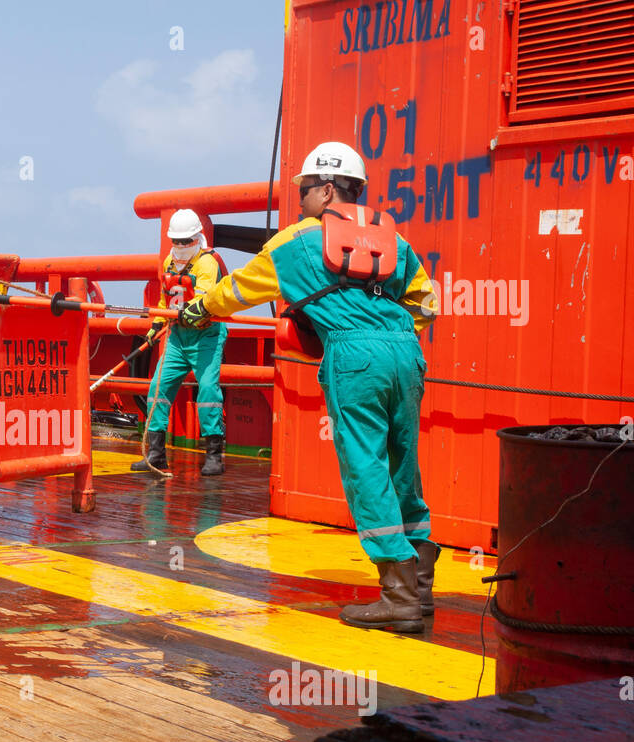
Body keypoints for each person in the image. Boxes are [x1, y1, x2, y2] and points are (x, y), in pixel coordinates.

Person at [179, 142, 440, 632]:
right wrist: (392, 335)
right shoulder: (393, 241)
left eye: (303, 190)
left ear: (325, 189)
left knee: (366, 467)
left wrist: (198, 309)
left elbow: (237, 290)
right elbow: (426, 303)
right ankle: (421, 589)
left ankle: (397, 595)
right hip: (407, 352)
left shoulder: (295, 243)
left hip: (355, 357)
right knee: (404, 463)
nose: (300, 200)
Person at [131, 209, 230, 477]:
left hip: (206, 335)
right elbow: (165, 301)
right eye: (177, 241)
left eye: (186, 241)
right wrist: (155, 327)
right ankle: (156, 455)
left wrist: (188, 314)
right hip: (177, 336)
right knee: (157, 390)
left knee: (208, 391)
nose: (181, 246)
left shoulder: (207, 264)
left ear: (197, 237)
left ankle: (214, 455)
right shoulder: (168, 263)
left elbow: (204, 301)